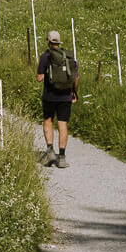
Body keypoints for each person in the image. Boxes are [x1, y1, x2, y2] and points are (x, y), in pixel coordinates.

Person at [36, 29, 78, 167]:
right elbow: (75, 78)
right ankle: (62, 157)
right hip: (65, 96)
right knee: (63, 124)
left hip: (49, 96)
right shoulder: (68, 56)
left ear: (48, 41)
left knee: (48, 121)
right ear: (59, 42)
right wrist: (74, 92)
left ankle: (50, 152)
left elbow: (39, 78)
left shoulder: (45, 56)